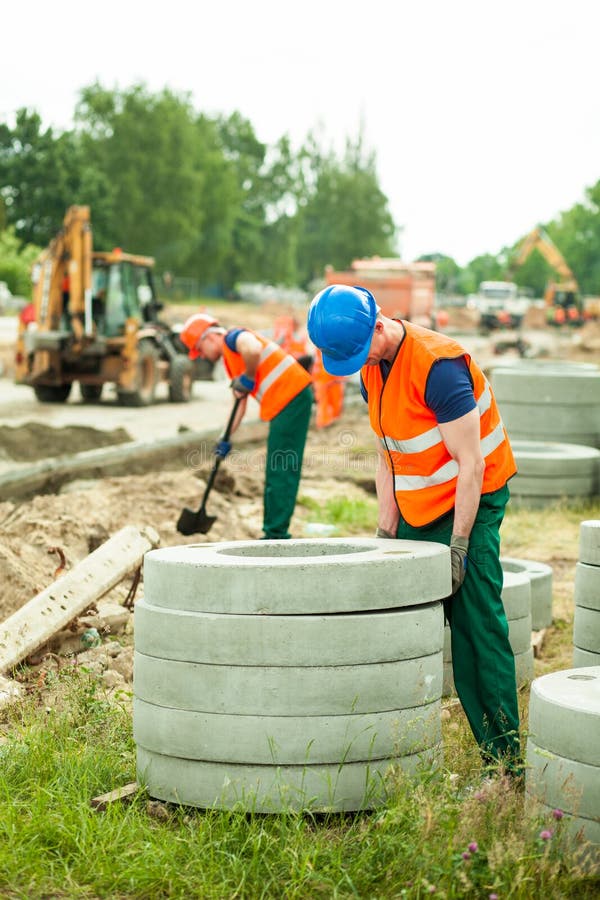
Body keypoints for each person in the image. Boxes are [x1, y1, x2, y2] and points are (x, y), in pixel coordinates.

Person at [307, 284, 521, 773]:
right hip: (420, 506)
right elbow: (389, 456)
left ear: (378, 325)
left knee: (475, 626)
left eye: (361, 351)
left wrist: (459, 548)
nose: (360, 361)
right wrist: (387, 538)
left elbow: (471, 464)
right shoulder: (370, 367)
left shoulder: (438, 369)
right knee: (403, 612)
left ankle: (506, 765)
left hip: (473, 500)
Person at [180, 312, 313, 540]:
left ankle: (275, 534)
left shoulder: (233, 338)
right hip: (288, 400)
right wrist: (225, 438)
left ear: (210, 337)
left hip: (291, 397)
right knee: (278, 465)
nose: (202, 356)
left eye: (200, 349)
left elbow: (252, 349)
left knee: (281, 466)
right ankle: (274, 531)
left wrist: (250, 376)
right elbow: (239, 403)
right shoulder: (232, 362)